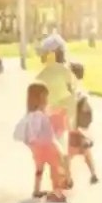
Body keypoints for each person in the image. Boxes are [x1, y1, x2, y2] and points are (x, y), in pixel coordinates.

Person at [33, 36, 79, 189]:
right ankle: (65, 177)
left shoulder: (43, 75)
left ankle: (61, 180)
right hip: (61, 115)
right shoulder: (63, 71)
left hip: (54, 116)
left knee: (55, 148)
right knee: (61, 147)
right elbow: (73, 91)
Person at [15, 82, 65, 202]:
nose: (47, 100)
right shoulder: (38, 115)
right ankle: (57, 193)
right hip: (46, 145)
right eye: (45, 97)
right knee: (55, 167)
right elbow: (36, 129)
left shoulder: (32, 114)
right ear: (40, 98)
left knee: (39, 168)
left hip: (37, 147)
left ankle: (37, 190)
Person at [67, 60, 98, 184]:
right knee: (86, 152)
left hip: (73, 123)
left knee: (68, 153)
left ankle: (68, 179)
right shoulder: (82, 88)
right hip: (82, 125)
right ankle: (93, 173)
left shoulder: (72, 88)